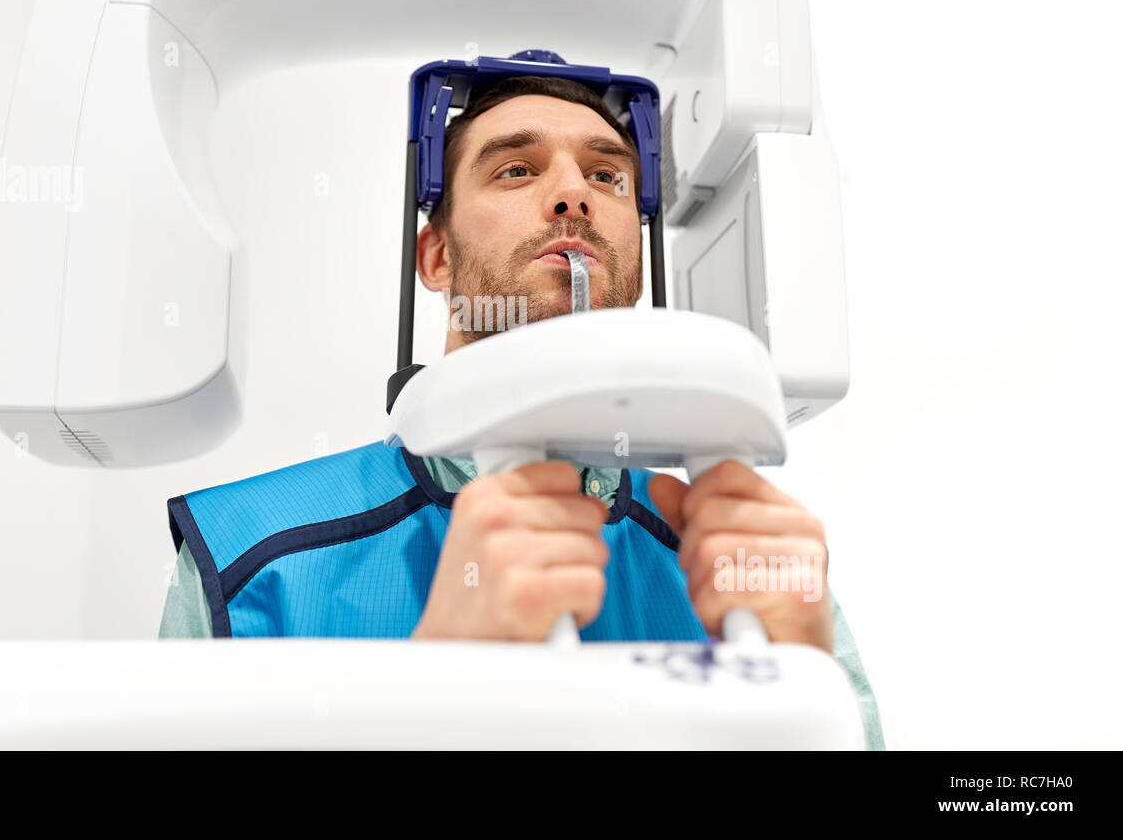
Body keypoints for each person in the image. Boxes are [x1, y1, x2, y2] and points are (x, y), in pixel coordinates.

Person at [159, 74, 885, 750]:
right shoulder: (251, 562)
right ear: (436, 256)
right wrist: (430, 701)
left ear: (637, 255)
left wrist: (808, 706)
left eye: (607, 176)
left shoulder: (749, 574)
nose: (575, 195)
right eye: (516, 169)